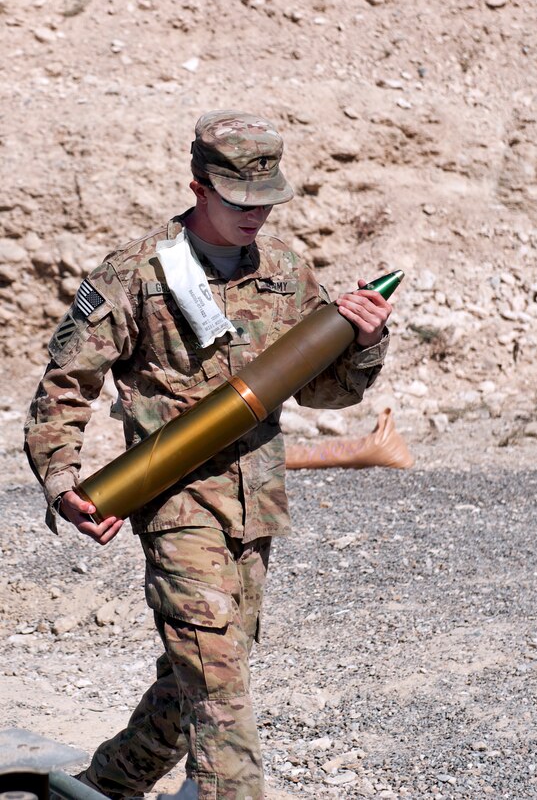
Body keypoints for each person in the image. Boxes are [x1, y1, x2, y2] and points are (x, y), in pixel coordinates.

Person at [24, 110, 392, 800]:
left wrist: (365, 343)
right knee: (218, 686)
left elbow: (325, 391)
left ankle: (103, 787)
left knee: (197, 673)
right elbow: (65, 385)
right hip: (174, 503)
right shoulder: (136, 273)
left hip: (255, 506)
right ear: (199, 187)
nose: (257, 215)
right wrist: (63, 479)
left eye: (266, 201)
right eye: (240, 202)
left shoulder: (286, 272)